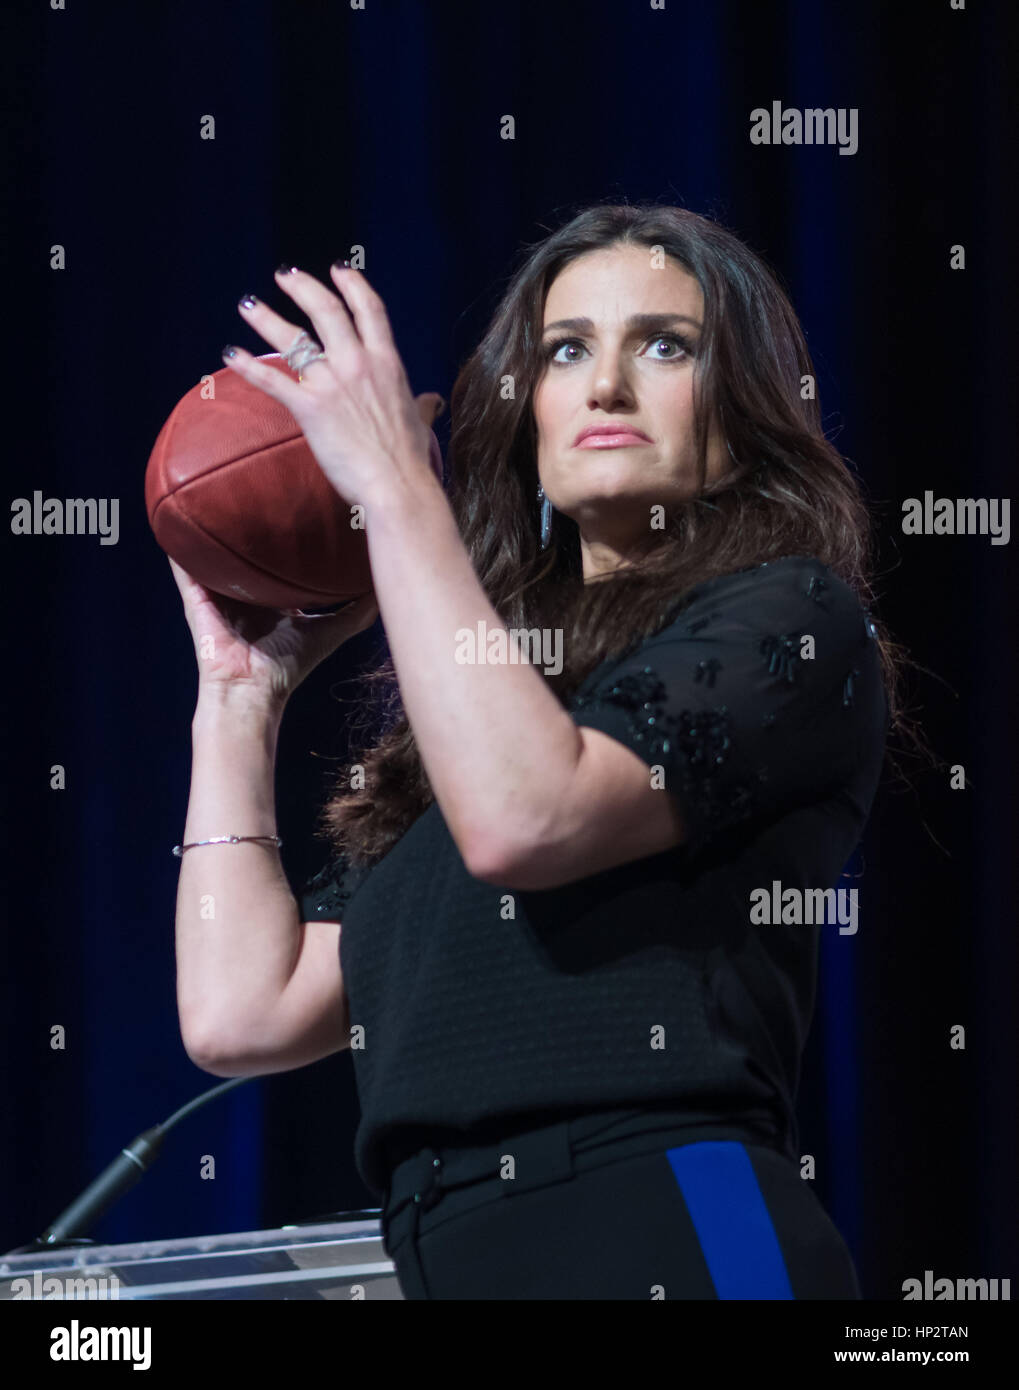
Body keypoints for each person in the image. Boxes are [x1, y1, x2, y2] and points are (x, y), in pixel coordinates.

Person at [171, 202, 908, 1300]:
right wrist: (240, 700)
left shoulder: (790, 620)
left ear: (742, 410)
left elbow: (528, 816)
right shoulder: (486, 721)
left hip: (674, 1223)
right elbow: (244, 1009)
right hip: (454, 1252)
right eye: (565, 352)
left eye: (663, 345)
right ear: (528, 415)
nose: (604, 385)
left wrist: (396, 487)